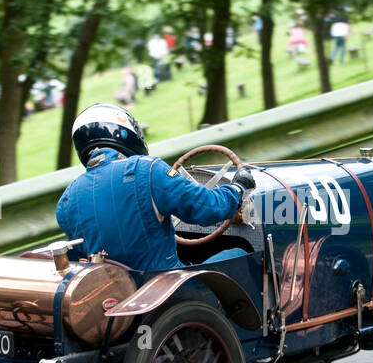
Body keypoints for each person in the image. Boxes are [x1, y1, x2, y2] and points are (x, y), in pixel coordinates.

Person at [56, 104, 254, 272]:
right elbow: (208, 208)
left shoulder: (66, 202)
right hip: (166, 287)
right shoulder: (146, 170)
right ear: (124, 133)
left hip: (115, 296)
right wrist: (237, 188)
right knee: (240, 253)